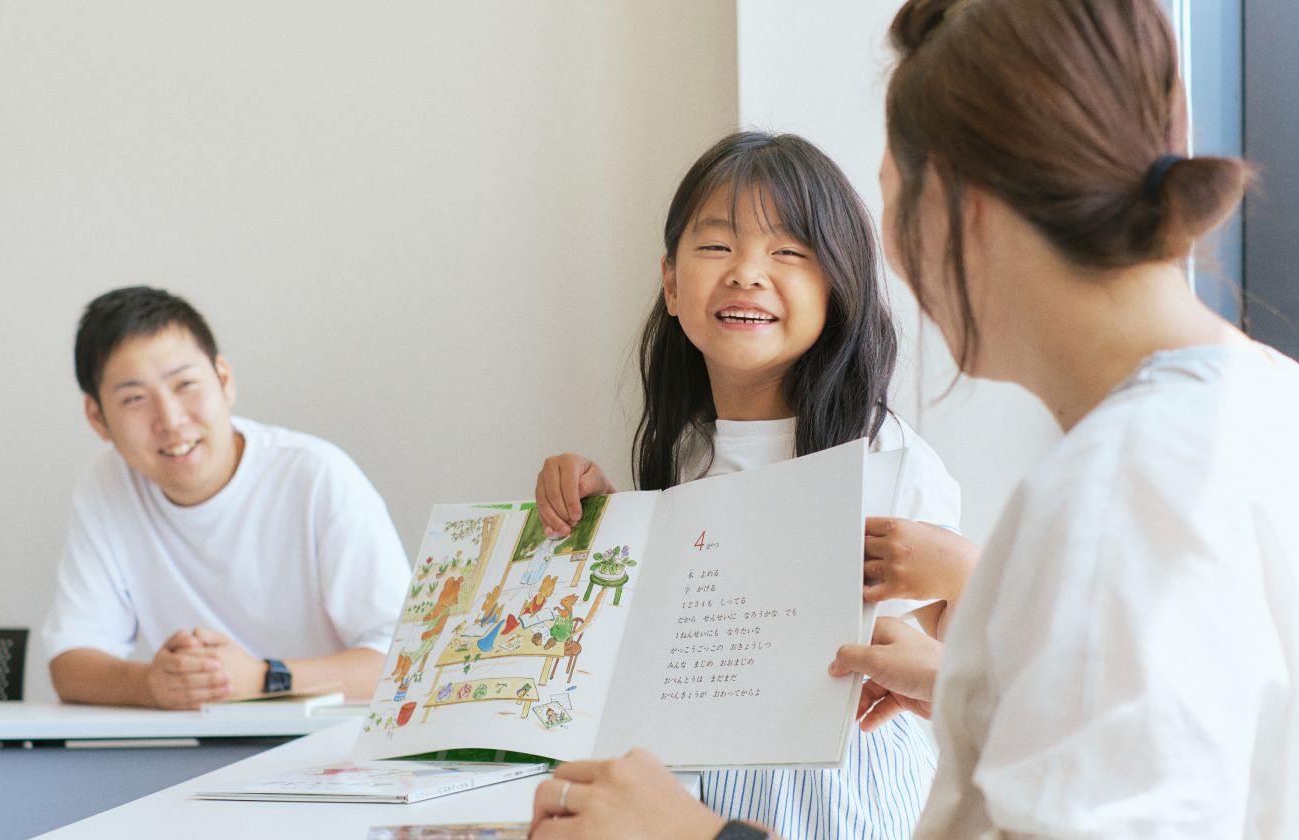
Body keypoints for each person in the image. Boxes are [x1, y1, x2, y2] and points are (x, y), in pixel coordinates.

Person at [529, 1, 1299, 837]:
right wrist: (976, 689)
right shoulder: (1257, 405)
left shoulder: (1114, 494)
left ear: (960, 212)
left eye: (892, 201)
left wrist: (698, 836)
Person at [531, 132, 978, 839]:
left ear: (837, 287)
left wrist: (965, 575)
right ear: (671, 284)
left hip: (848, 800)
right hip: (705, 795)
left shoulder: (888, 457)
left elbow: (942, 656)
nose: (746, 273)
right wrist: (597, 525)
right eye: (716, 247)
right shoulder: (678, 456)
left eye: (789, 252)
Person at [43, 286, 411, 710]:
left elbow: (405, 659)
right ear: (97, 417)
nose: (171, 420)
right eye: (135, 399)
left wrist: (266, 679)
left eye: (185, 385)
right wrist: (153, 683)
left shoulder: (315, 474)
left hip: (336, 755)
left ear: (224, 380)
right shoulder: (107, 484)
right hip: (207, 756)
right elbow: (70, 662)